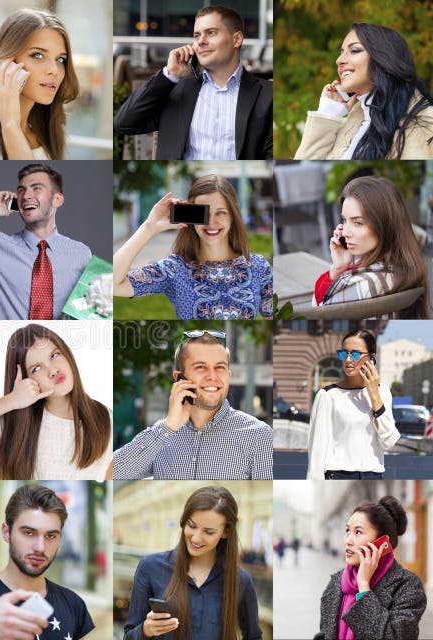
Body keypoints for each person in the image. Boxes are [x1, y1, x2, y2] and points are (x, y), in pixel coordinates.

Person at [0, 323, 112, 480]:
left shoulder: (104, 416)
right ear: (25, 379)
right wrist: (12, 400)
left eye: (54, 355)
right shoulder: (17, 419)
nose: (53, 371)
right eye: (36, 368)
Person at [114, 5, 272, 160]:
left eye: (211, 33)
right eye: (197, 36)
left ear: (236, 39)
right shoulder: (175, 90)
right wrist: (169, 75)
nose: (201, 41)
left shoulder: (267, 94)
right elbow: (125, 124)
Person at [113, 330, 273, 480]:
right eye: (201, 367)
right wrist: (168, 427)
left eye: (220, 367)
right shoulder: (162, 435)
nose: (212, 376)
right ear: (179, 378)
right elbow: (110, 473)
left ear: (228, 375)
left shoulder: (260, 436)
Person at [113, 175, 273, 319]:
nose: (211, 223)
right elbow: (111, 285)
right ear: (191, 215)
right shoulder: (174, 269)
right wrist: (149, 226)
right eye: (204, 213)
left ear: (232, 215)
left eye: (221, 212)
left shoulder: (259, 267)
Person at [0, 484, 94, 640]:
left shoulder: (73, 603)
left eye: (51, 536)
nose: (40, 547)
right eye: (29, 533)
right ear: (6, 533)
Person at [0, 163, 91, 319]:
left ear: (57, 200)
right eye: (21, 190)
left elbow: (92, 312)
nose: (25, 196)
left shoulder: (81, 254)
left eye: (36, 188)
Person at [124, 486, 262, 640]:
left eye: (208, 532)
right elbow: (129, 636)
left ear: (226, 532)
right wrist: (145, 630)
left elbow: (254, 636)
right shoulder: (150, 567)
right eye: (192, 525)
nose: (196, 538)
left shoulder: (241, 580)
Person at [0, 9, 79, 160]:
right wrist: (10, 125)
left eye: (60, 60)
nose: (54, 70)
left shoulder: (48, 133)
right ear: (6, 63)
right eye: (38, 55)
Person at [295, 24, 433, 160]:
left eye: (354, 50)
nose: (339, 60)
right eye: (341, 52)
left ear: (384, 58)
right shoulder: (351, 123)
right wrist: (328, 111)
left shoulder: (427, 124)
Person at [312, 175, 429, 318]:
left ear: (384, 225)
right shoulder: (407, 268)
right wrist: (339, 267)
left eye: (357, 223)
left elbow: (318, 312)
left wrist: (336, 272)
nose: (345, 232)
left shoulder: (361, 285)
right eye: (344, 220)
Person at [315, 496, 426, 639]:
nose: (348, 541)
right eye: (348, 530)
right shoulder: (337, 582)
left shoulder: (407, 585)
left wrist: (364, 587)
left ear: (382, 543)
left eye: (358, 532)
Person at [307, 329, 400, 480]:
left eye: (355, 354)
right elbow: (316, 452)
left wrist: (374, 395)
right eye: (344, 353)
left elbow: (389, 441)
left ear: (372, 358)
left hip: (374, 476)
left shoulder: (382, 392)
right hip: (338, 476)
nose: (348, 359)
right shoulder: (328, 395)